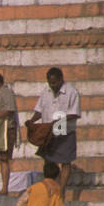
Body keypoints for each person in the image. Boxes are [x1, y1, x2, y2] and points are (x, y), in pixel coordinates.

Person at [27, 67, 79, 196]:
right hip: (48, 132)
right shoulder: (46, 91)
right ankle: (51, 188)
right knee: (48, 161)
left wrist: (58, 121)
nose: (52, 85)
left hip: (65, 131)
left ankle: (61, 190)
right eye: (50, 82)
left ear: (61, 79)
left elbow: (74, 113)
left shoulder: (72, 92)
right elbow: (39, 110)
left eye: (54, 82)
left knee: (65, 161)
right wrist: (31, 121)